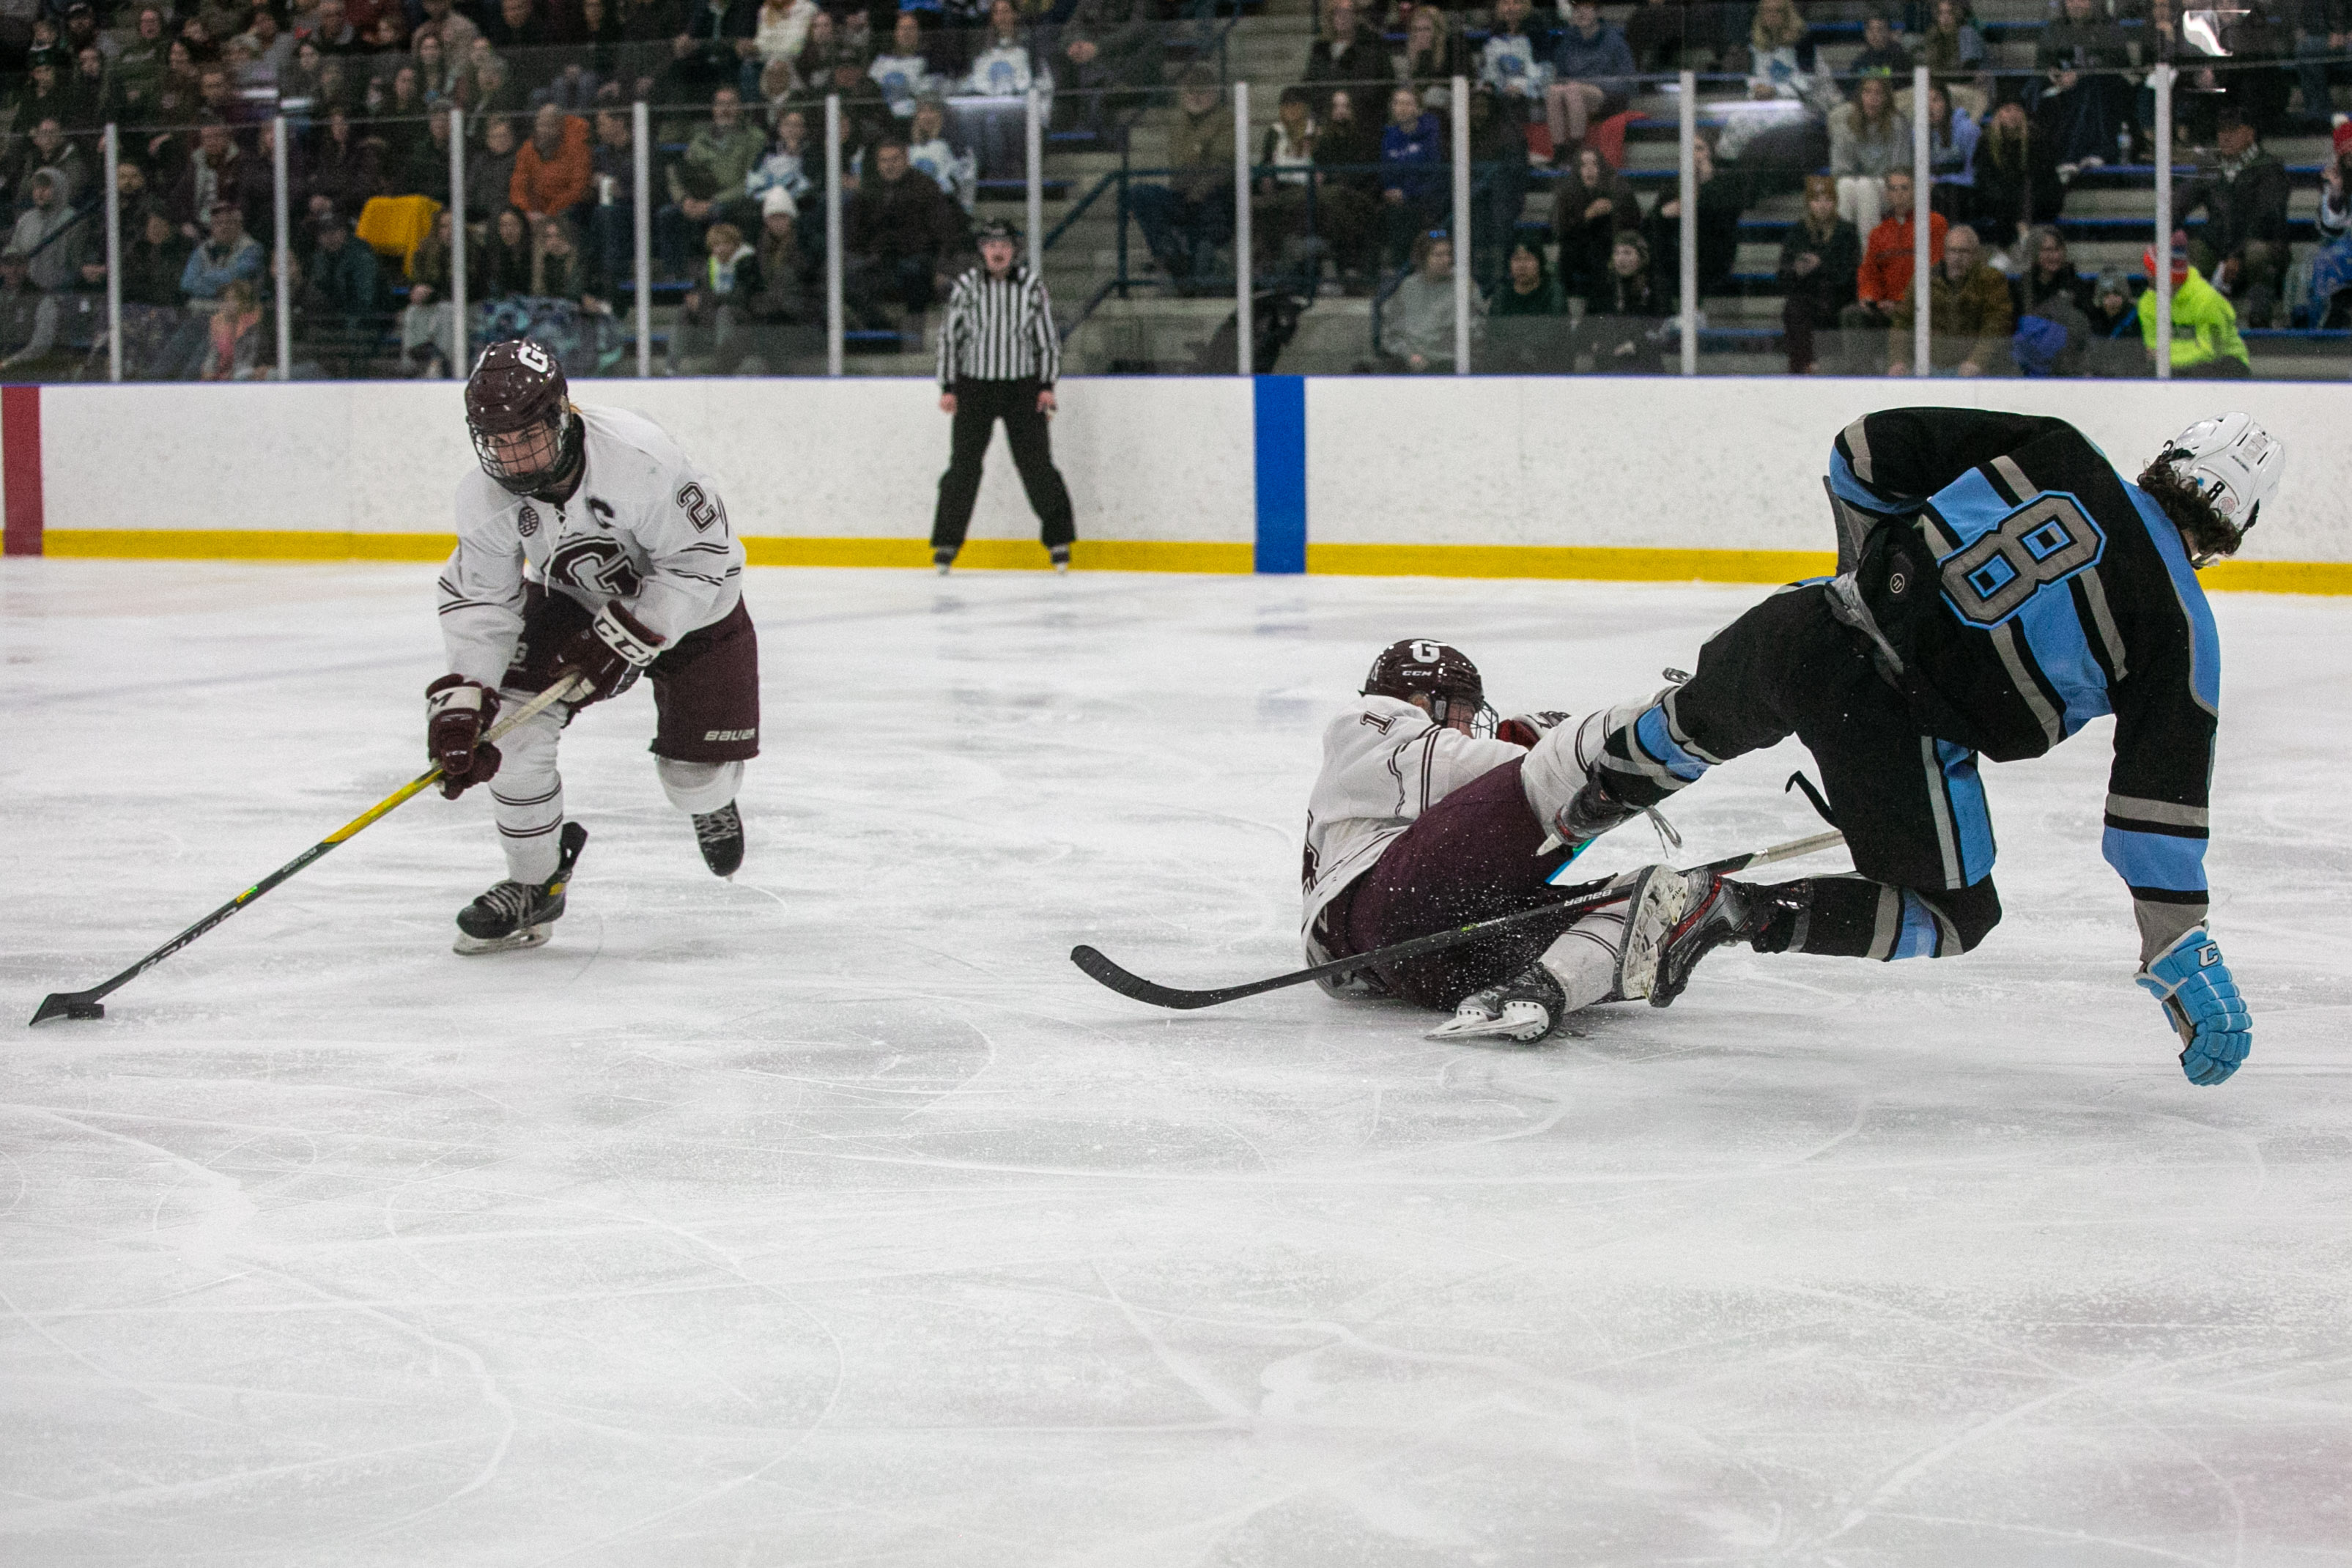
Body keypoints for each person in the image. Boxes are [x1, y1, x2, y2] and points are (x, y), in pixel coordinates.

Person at [1531, 407, 2282, 1089]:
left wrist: (1862, 580)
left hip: (1805, 629)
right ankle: (1727, 912)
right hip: (1894, 735)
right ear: (2233, 532)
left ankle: (1581, 804)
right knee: (1960, 912)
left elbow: (1861, 452)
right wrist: (2176, 950)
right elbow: (2151, 827)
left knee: (1695, 720)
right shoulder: (2182, 632)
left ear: (2167, 456)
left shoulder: (2057, 447)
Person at [431, 339, 758, 954]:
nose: (509, 456)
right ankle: (534, 886)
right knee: (511, 729)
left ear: (562, 415)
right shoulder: (486, 496)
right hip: (576, 601)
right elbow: (482, 602)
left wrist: (635, 634)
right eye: (494, 441)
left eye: (523, 436)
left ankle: (712, 801)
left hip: (698, 608)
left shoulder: (640, 457)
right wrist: (465, 701)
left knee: (692, 777)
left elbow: (701, 560)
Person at [1300, 640, 1641, 1043]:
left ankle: (1545, 983)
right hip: (1386, 909)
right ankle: (1659, 725)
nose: (1468, 725)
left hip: (1429, 957)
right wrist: (1559, 754)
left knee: (1641, 905)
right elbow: (1454, 765)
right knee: (1553, 786)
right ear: (1423, 702)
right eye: (1464, 712)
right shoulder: (1365, 721)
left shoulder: (1411, 802)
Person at [931, 218, 1075, 575]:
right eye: (991, 245)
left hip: (1022, 388)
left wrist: (1047, 386)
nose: (998, 251)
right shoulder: (966, 286)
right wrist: (949, 387)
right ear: (982, 250)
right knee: (963, 466)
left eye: (1005, 245)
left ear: (1015, 250)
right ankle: (947, 543)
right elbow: (950, 338)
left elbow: (1047, 341)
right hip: (974, 386)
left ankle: (1059, 540)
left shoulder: (1030, 286)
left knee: (1036, 464)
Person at [2172, 106, 2290, 330]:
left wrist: (2236, 255)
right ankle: (2195, 319)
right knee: (2192, 252)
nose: (2225, 136)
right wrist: (2169, 232)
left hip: (2259, 247)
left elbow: (2265, 219)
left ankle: (2259, 317)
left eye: (2233, 130)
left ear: (2250, 134)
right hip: (2220, 246)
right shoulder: (2211, 166)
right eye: (2221, 130)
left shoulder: (2270, 168)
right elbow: (2180, 202)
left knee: (2259, 254)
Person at [843, 136, 967, 327]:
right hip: (879, 261)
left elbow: (946, 234)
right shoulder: (869, 192)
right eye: (884, 161)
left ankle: (912, 337)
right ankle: (882, 331)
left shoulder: (925, 188)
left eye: (894, 159)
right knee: (847, 278)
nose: (889, 165)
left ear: (906, 159)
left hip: (916, 259)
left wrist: (943, 268)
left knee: (914, 273)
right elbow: (855, 235)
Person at [1131, 68, 1235, 293]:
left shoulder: (1226, 120)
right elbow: (1182, 164)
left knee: (1210, 207)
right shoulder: (1178, 123)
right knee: (1138, 194)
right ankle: (1167, 252)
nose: (1195, 97)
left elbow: (1222, 165)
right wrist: (1198, 157)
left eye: (1202, 92)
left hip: (1213, 198)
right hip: (1182, 193)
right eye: (1191, 92)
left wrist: (1197, 180)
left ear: (1214, 94)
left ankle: (1189, 266)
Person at [1838, 166, 1942, 374]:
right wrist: (1870, 297)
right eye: (1893, 189)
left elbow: (1935, 273)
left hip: (1917, 309)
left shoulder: (1934, 225)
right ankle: (1863, 377)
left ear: (1915, 191)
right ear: (1887, 194)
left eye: (1905, 188)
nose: (1899, 194)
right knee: (1852, 315)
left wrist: (1903, 303)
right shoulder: (1879, 232)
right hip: (1886, 307)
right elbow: (1869, 272)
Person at [1887, 221, 2011, 377]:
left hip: (1971, 369)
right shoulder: (1924, 280)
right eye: (1953, 251)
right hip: (1927, 367)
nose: (1957, 258)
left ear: (1975, 254)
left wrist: (1977, 361)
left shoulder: (1991, 280)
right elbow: (1901, 322)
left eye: (1964, 252)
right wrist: (1898, 360)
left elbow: (1996, 325)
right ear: (1945, 253)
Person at [2138, 229, 2252, 378]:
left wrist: (2165, 356)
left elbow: (2210, 351)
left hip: (2227, 363)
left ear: (2168, 277)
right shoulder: (2147, 302)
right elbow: (2153, 347)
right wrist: (2175, 355)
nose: (2146, 274)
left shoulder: (2208, 300)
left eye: (2152, 270)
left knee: (2203, 371)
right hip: (2183, 365)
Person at [1777, 172, 1859, 374]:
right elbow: (1782, 275)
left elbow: (1850, 274)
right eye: (1816, 200)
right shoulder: (1798, 232)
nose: (1822, 205)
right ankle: (1802, 366)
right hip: (1807, 297)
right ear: (1808, 203)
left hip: (1838, 298)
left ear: (1835, 202)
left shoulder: (1846, 232)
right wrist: (1797, 270)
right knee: (1794, 307)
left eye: (1828, 200)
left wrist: (1821, 266)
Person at [1546, 0, 1634, 160]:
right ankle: (1559, 150)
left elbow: (1628, 82)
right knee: (1554, 91)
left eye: (1587, 7)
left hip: (1610, 96)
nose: (1581, 12)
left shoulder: (1614, 41)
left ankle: (1575, 150)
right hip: (1573, 93)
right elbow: (1559, 77)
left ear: (1598, 12)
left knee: (1573, 89)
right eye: (1577, 8)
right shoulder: (1567, 43)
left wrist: (1587, 85)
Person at [1548, 141, 1638, 295]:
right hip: (1579, 250)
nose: (1590, 169)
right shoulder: (1568, 190)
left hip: (1610, 246)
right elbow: (1558, 228)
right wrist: (1586, 216)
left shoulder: (1617, 184)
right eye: (1584, 165)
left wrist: (1613, 208)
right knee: (1567, 252)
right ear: (1578, 170)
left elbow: (1634, 219)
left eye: (1594, 164)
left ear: (1601, 167)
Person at [1829, 73, 1911, 241]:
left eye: (1878, 93)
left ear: (1886, 98)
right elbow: (1840, 170)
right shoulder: (1846, 124)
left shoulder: (1898, 124)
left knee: (1866, 186)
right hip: (1856, 185)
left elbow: (1900, 170)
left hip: (1889, 187)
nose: (1872, 98)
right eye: (1867, 92)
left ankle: (1870, 257)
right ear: (1860, 96)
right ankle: (1843, 254)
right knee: (1846, 185)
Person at [1380, 228, 1473, 372]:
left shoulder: (1464, 286)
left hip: (1449, 366)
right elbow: (1391, 333)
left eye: (1448, 254)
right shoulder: (1408, 287)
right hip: (1410, 365)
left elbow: (1475, 332)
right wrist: (1410, 356)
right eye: (1438, 255)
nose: (1446, 260)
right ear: (1424, 258)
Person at [1377, 84, 1446, 270]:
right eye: (1398, 103)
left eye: (1408, 103)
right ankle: (1400, 273)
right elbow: (1387, 170)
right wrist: (1391, 189)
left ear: (1418, 107)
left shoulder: (1432, 135)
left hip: (1428, 200)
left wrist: (1408, 193)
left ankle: (1422, 268)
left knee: (1421, 225)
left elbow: (1436, 174)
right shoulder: (1389, 137)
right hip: (1398, 201)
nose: (1402, 108)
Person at [1579, 230, 1666, 373]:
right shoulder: (1604, 286)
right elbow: (1587, 325)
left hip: (1644, 363)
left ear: (1642, 257)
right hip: (1607, 362)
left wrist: (1634, 345)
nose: (1621, 258)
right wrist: (1596, 344)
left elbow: (1661, 325)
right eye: (1617, 253)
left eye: (1627, 253)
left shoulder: (1655, 286)